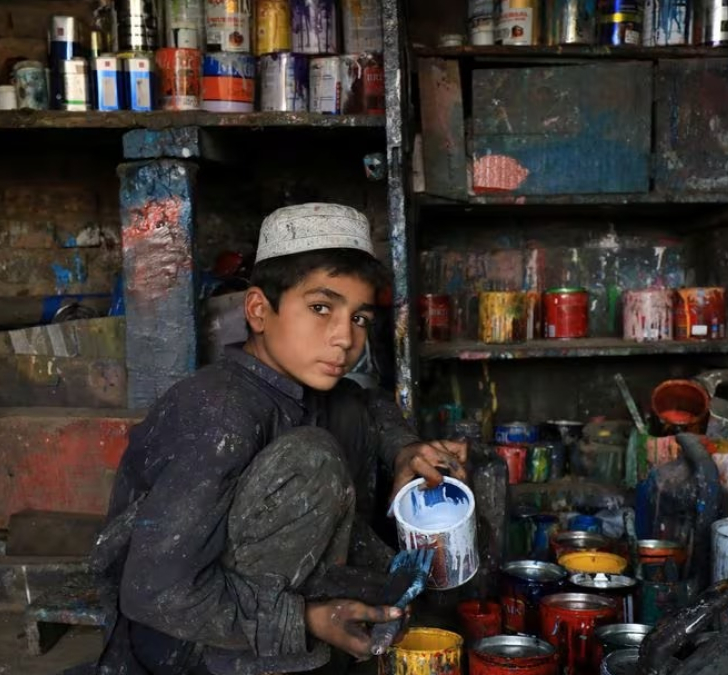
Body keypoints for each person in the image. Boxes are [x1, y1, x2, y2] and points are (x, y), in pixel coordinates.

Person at [92, 204, 467, 675]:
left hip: (257, 611)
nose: (344, 338)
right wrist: (305, 620)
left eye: (360, 319)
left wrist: (404, 448)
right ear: (258, 310)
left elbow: (370, 407)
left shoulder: (314, 388)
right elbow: (155, 594)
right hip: (180, 647)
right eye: (320, 308)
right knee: (313, 459)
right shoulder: (219, 413)